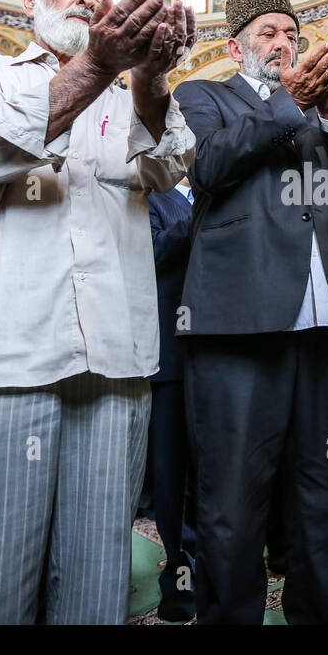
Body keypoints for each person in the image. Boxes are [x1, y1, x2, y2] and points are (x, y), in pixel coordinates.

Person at [0, 0, 195, 624]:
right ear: (27, 1)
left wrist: (151, 78)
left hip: (113, 375)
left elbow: (171, 165)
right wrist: (100, 63)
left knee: (95, 599)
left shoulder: (128, 100)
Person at [172, 0, 328, 625]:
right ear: (236, 47)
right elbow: (209, 169)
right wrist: (296, 101)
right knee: (233, 501)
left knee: (325, 494)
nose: (284, 42)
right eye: (268, 33)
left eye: (292, 32)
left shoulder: (319, 112)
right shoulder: (202, 96)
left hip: (324, 324)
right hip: (240, 324)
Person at [146, 175, 198, 622]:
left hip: (223, 354)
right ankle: (180, 574)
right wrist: (203, 211)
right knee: (172, 476)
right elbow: (153, 254)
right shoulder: (152, 196)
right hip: (172, 357)